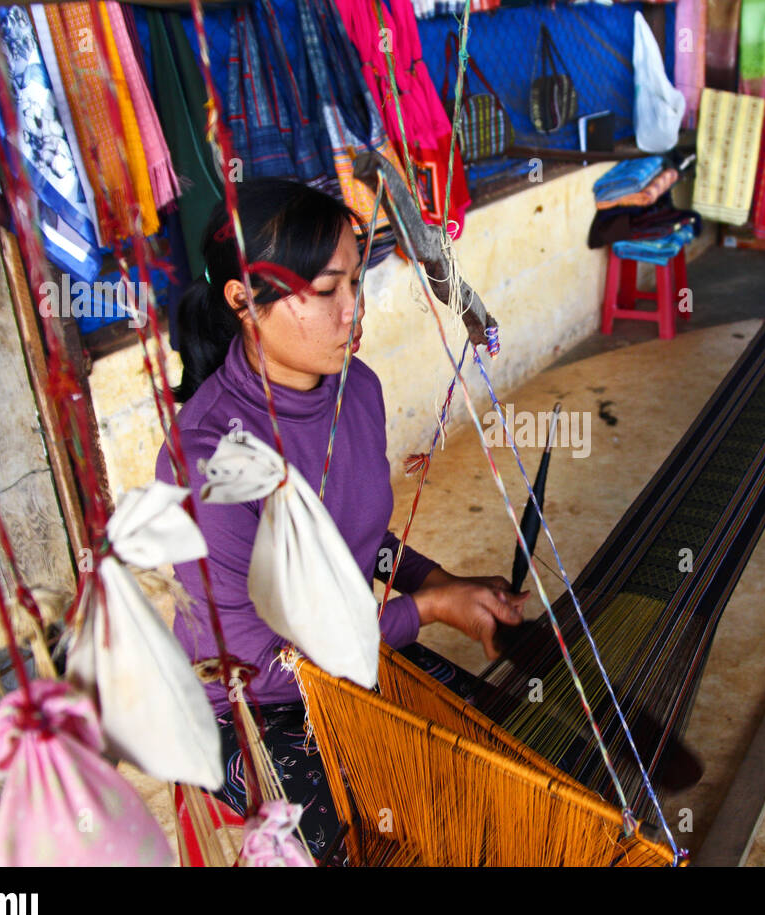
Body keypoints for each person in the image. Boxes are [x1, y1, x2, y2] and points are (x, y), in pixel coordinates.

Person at [156, 177, 527, 860]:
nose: (354, 312)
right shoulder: (207, 459)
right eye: (327, 291)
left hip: (354, 656)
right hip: (254, 707)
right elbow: (265, 665)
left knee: (515, 763)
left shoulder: (358, 389)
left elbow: (355, 534)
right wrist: (426, 611)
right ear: (243, 300)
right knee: (386, 839)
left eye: (358, 281)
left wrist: (446, 584)